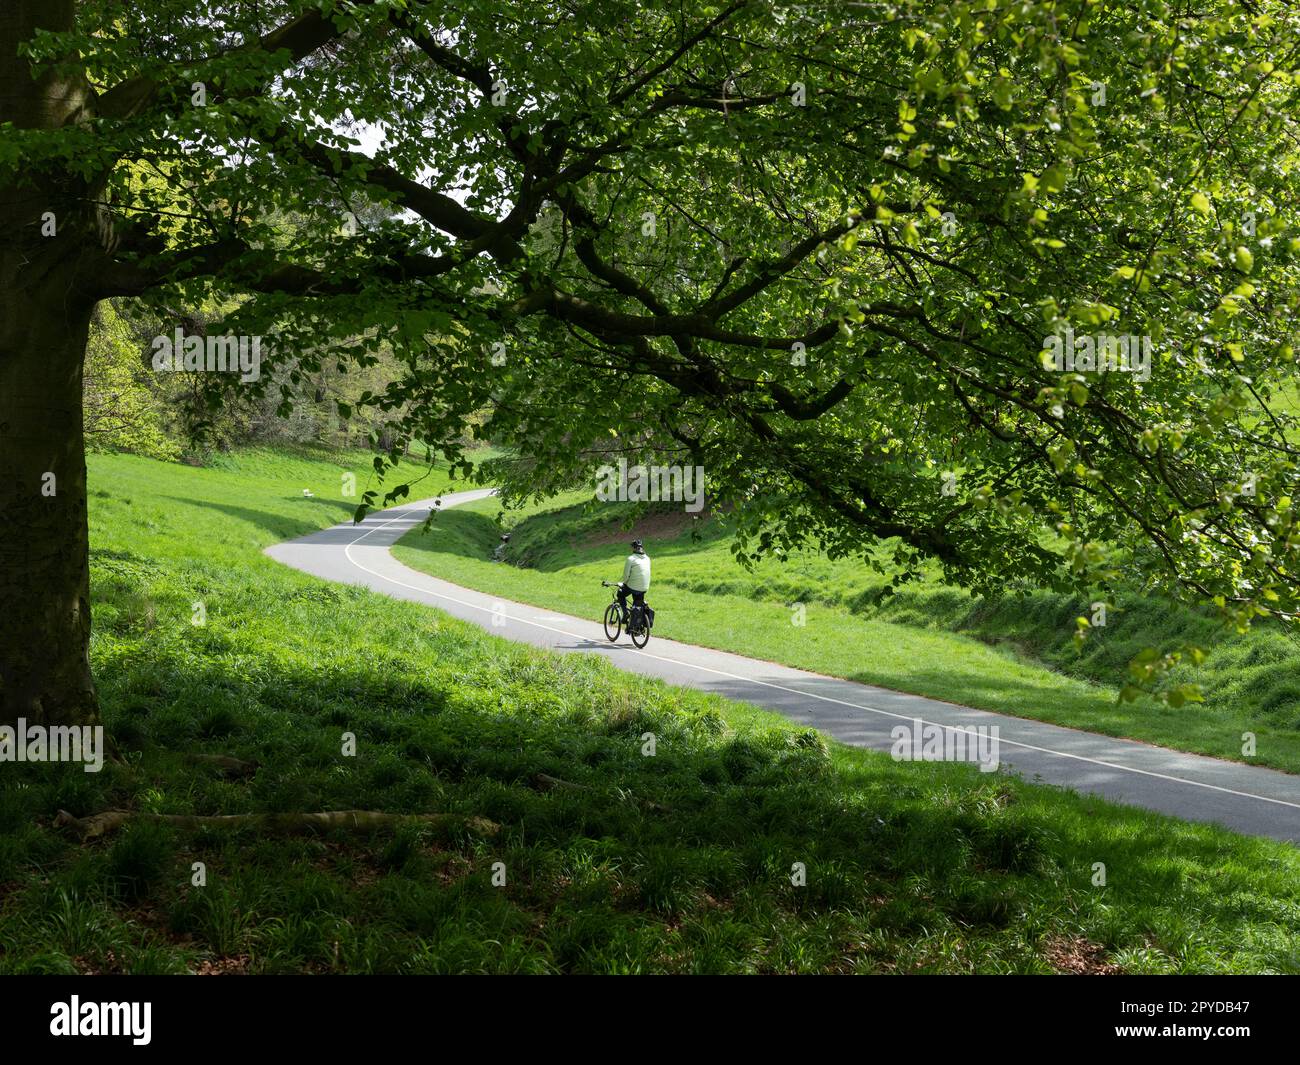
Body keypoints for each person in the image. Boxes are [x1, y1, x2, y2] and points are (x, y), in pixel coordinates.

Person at [617, 539, 651, 627]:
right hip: (644, 587)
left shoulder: (631, 559)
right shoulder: (648, 558)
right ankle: (636, 627)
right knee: (637, 605)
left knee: (620, 594)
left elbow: (626, 576)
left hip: (633, 586)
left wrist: (623, 583)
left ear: (633, 548)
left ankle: (625, 614)